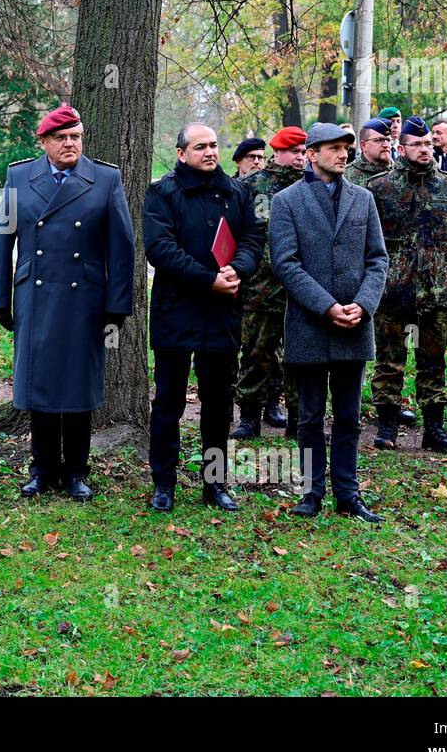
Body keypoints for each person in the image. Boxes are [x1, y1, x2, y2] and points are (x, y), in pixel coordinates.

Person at [0, 103, 135, 501]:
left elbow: (122, 248)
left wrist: (118, 306)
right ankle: (42, 469)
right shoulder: (19, 177)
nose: (71, 144)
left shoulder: (105, 179)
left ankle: (76, 472)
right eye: (62, 138)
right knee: (41, 385)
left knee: (78, 388)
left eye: (76, 137)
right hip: (35, 297)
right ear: (44, 142)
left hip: (84, 301)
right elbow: (3, 239)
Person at [269, 123, 389, 522]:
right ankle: (311, 491)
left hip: (355, 323)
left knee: (351, 416)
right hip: (310, 323)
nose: (343, 155)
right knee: (309, 416)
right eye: (334, 148)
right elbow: (285, 263)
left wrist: (363, 304)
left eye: (346, 148)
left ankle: (348, 493)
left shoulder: (363, 199)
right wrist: (326, 306)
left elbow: (377, 259)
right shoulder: (287, 201)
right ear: (311, 153)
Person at [144, 123, 265, 512]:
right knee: (169, 403)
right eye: (201, 147)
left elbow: (254, 237)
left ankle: (215, 484)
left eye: (214, 145)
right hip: (176, 311)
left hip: (222, 312)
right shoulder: (162, 192)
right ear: (182, 154)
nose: (210, 152)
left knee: (218, 403)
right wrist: (207, 279)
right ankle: (164, 484)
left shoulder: (238, 191)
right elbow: (160, 249)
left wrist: (238, 270)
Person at [365, 117, 447, 452]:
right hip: (393, 294)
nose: (425, 149)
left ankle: (434, 428)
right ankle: (388, 425)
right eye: (417, 144)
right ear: (401, 147)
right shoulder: (379, 188)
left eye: (428, 144)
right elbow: (367, 241)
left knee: (432, 361)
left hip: (434, 294)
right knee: (389, 362)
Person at [233, 126, 307, 441]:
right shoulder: (251, 186)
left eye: (304, 152)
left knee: (300, 359)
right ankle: (249, 417)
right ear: (277, 151)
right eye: (294, 152)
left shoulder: (312, 187)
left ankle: (297, 419)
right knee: (256, 355)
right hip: (260, 288)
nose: (300, 158)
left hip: (302, 291)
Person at [345, 117, 393, 188]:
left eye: (388, 140)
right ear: (364, 145)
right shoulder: (346, 176)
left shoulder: (399, 174)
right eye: (379, 140)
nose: (386, 145)